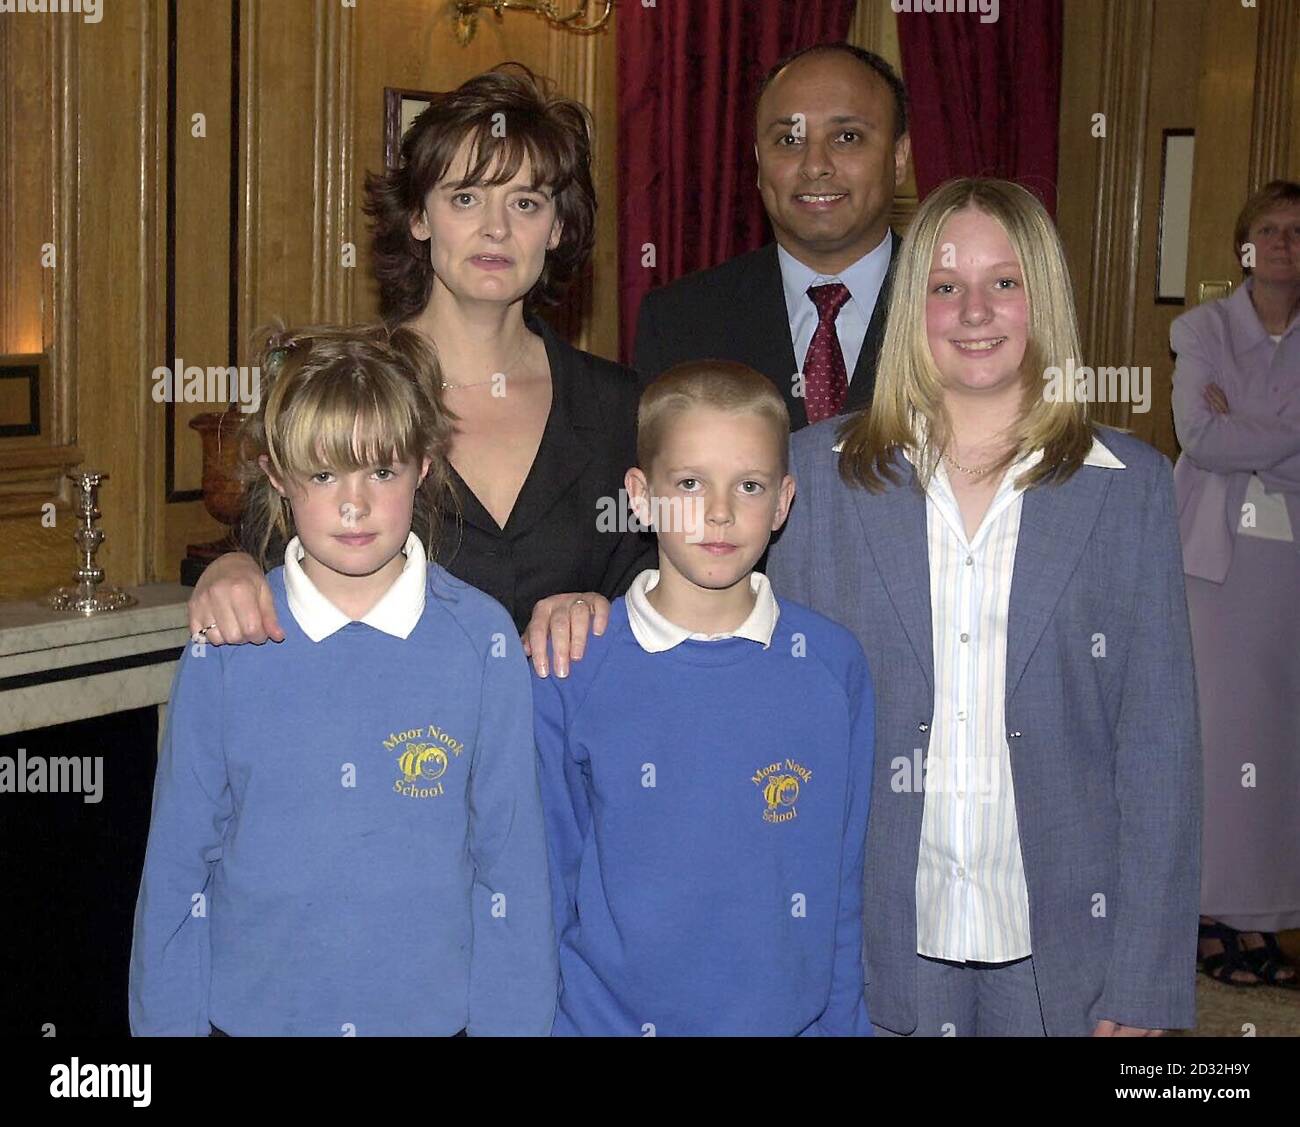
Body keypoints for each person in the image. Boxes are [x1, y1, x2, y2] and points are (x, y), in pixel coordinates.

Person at [544, 178, 1203, 1036]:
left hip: (1063, 943)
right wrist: (582, 603)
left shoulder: (1131, 486)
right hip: (872, 948)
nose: (974, 311)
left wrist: (1146, 975)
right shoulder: (818, 474)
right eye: (945, 284)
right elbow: (711, 589)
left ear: (1043, 296)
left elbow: (1159, 744)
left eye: (1004, 282)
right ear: (910, 304)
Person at [130, 325, 556, 1036]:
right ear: (277, 476)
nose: (354, 505)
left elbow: (511, 863)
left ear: (423, 466)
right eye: (324, 475)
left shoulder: (482, 641)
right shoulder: (227, 644)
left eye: (381, 472)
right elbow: (177, 862)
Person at [186, 64, 652, 650]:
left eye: (526, 203)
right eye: (466, 198)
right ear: (419, 217)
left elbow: (666, 586)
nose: (496, 229)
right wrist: (230, 569)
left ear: (557, 228)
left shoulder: (621, 406)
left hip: (576, 708)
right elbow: (266, 551)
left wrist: (610, 612)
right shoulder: (336, 386)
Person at [533, 361, 874, 1035]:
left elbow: (842, 887)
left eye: (749, 485)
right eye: (689, 483)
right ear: (641, 496)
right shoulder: (571, 667)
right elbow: (545, 881)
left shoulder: (833, 667)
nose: (719, 512)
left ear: (783, 501)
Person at [633, 43, 911, 428]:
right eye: (789, 140)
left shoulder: (959, 308)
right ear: (759, 163)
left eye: (847, 137)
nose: (815, 165)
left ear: (899, 158)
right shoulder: (680, 321)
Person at [1173, 179, 1300, 989]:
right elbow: (1199, 435)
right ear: (1243, 247)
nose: (1284, 243)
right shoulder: (1202, 328)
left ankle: (1262, 914)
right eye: (1269, 229)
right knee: (1219, 739)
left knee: (1279, 743)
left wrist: (1242, 427)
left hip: (1289, 564)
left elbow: (1228, 435)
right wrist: (1281, 435)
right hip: (1214, 560)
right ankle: (1206, 914)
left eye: (1298, 230)